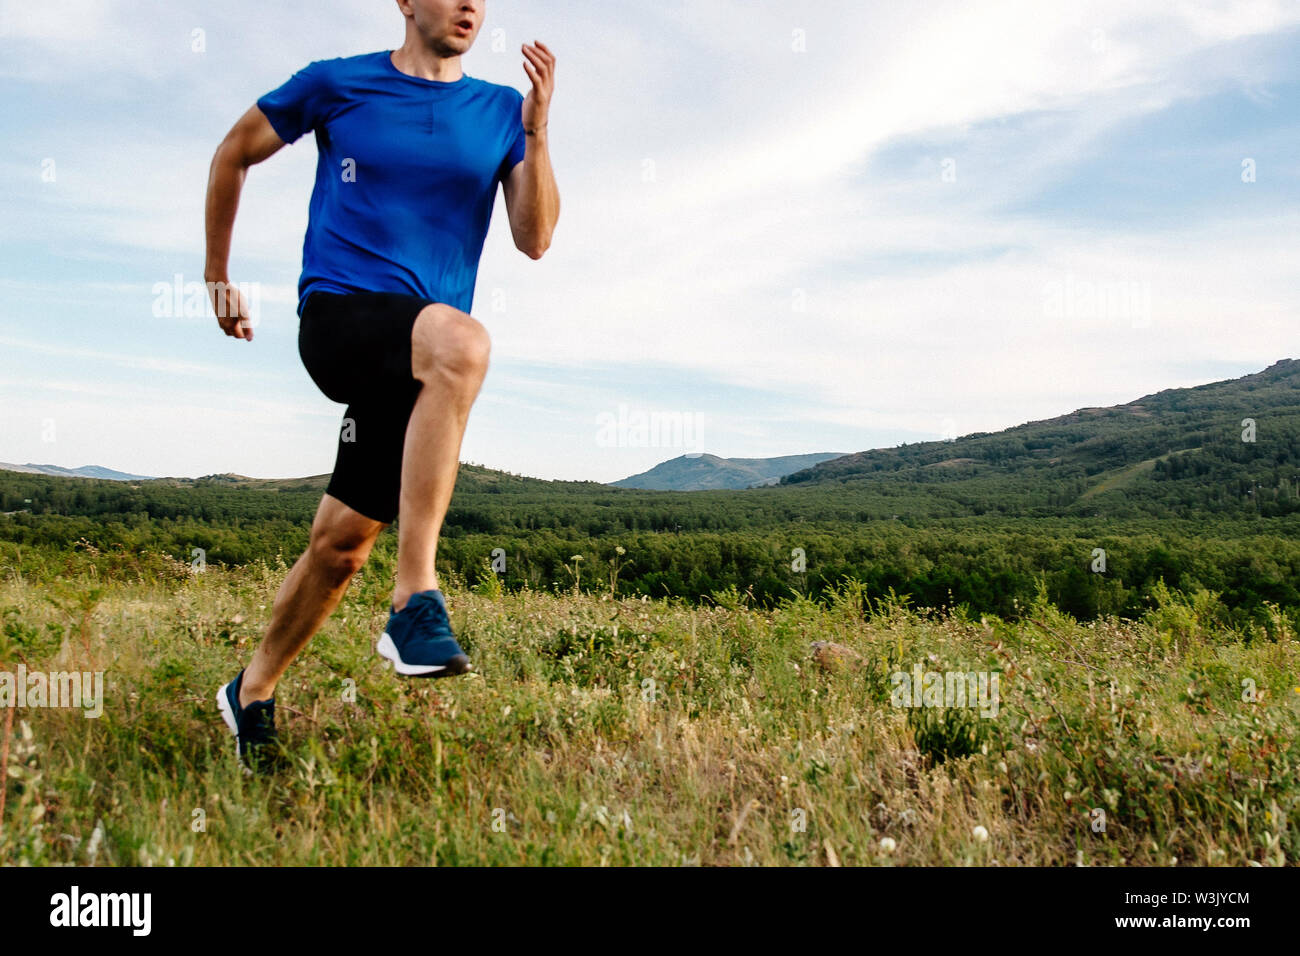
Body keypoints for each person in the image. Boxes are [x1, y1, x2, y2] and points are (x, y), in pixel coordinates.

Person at [203, 0, 559, 769]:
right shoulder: (338, 84)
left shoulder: (500, 111)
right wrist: (216, 275)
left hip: (418, 361)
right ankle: (414, 600)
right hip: (339, 317)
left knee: (339, 546)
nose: (469, 3)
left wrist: (535, 129)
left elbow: (534, 238)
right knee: (465, 344)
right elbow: (232, 152)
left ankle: (251, 693)